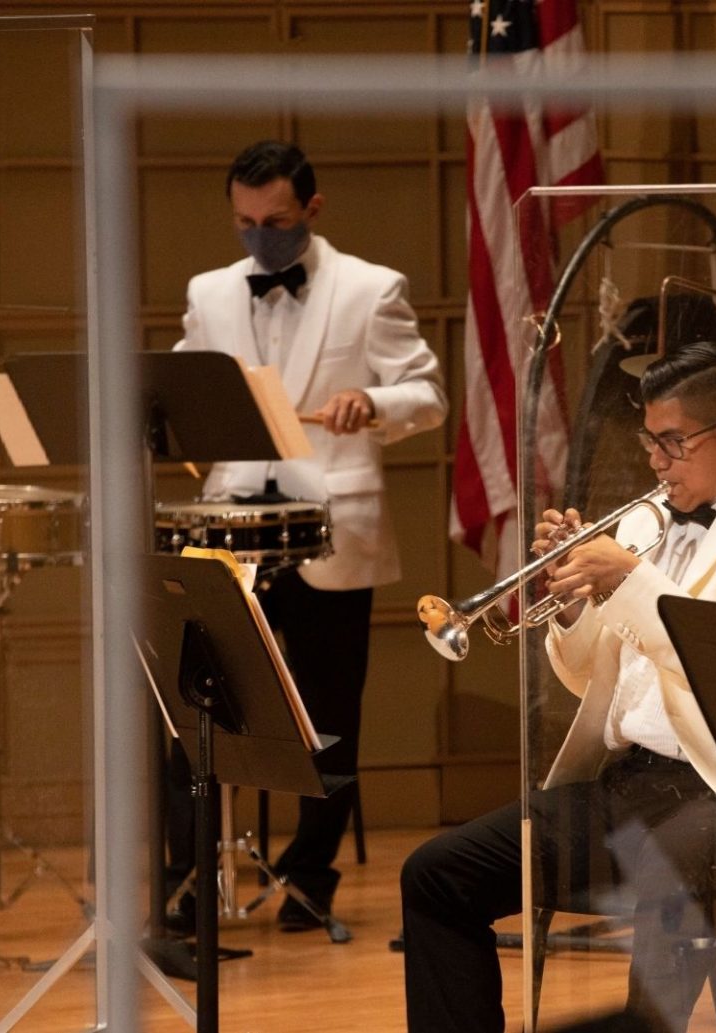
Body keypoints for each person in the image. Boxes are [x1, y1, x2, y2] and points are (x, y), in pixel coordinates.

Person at [401, 341, 716, 1032]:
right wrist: (576, 602)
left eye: (673, 443)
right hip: (631, 783)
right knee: (436, 873)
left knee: (665, 873)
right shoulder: (647, 521)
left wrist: (628, 581)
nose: (656, 462)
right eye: (650, 441)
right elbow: (589, 675)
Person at [172, 140, 447, 929]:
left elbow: (426, 394)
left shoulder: (371, 287)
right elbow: (190, 392)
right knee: (198, 705)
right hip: (233, 527)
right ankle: (188, 876)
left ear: (313, 210)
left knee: (329, 714)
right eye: (246, 223)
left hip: (333, 525)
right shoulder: (210, 292)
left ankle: (307, 875)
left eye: (278, 221)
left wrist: (374, 400)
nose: (262, 237)